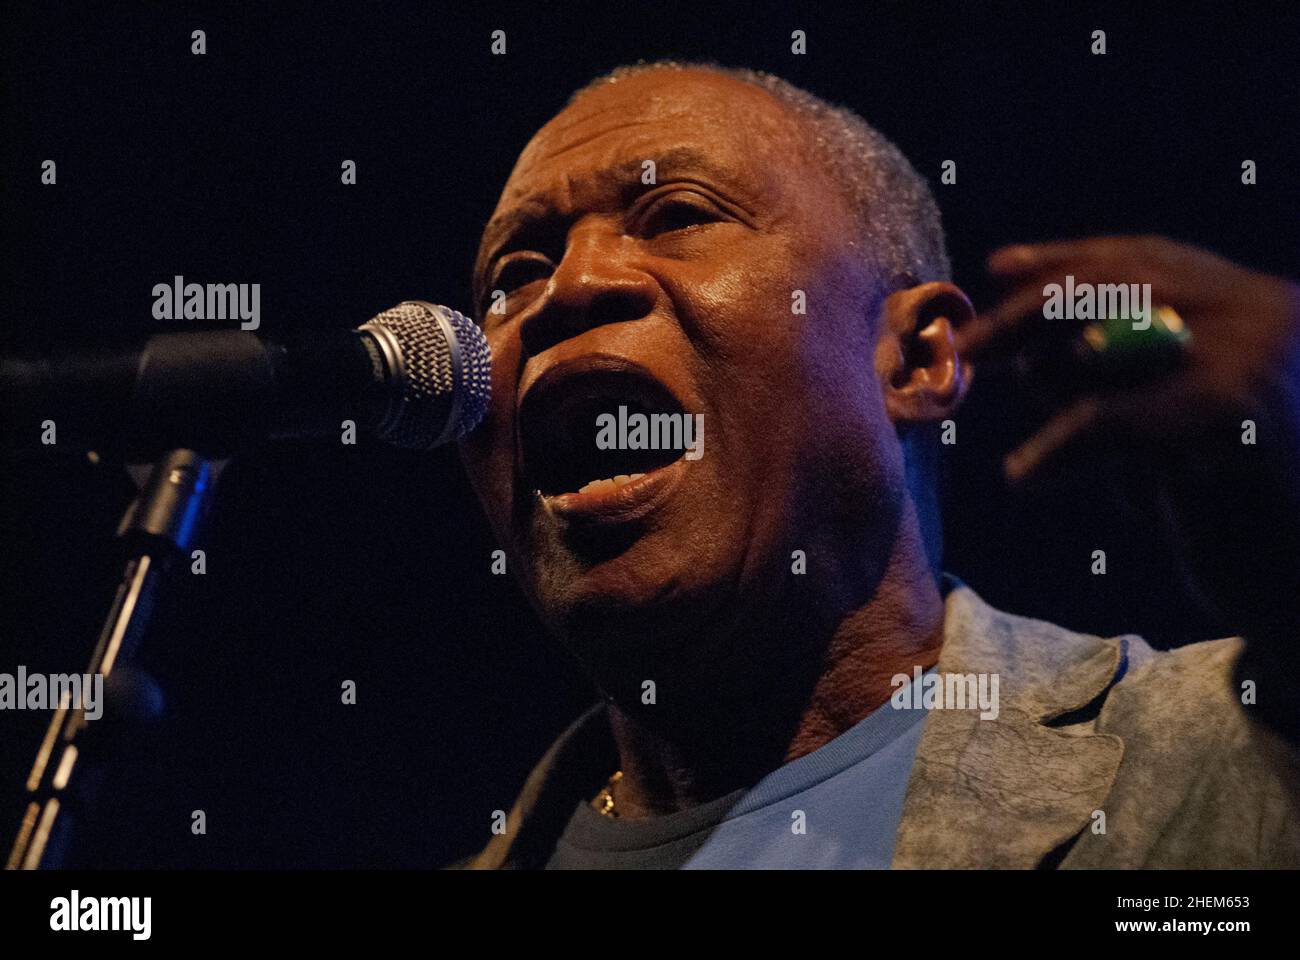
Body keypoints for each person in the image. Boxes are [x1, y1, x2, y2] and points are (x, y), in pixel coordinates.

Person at [455, 61, 1300, 868]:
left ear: (916, 358)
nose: (571, 285)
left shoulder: (1237, 759)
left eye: (678, 216)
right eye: (516, 274)